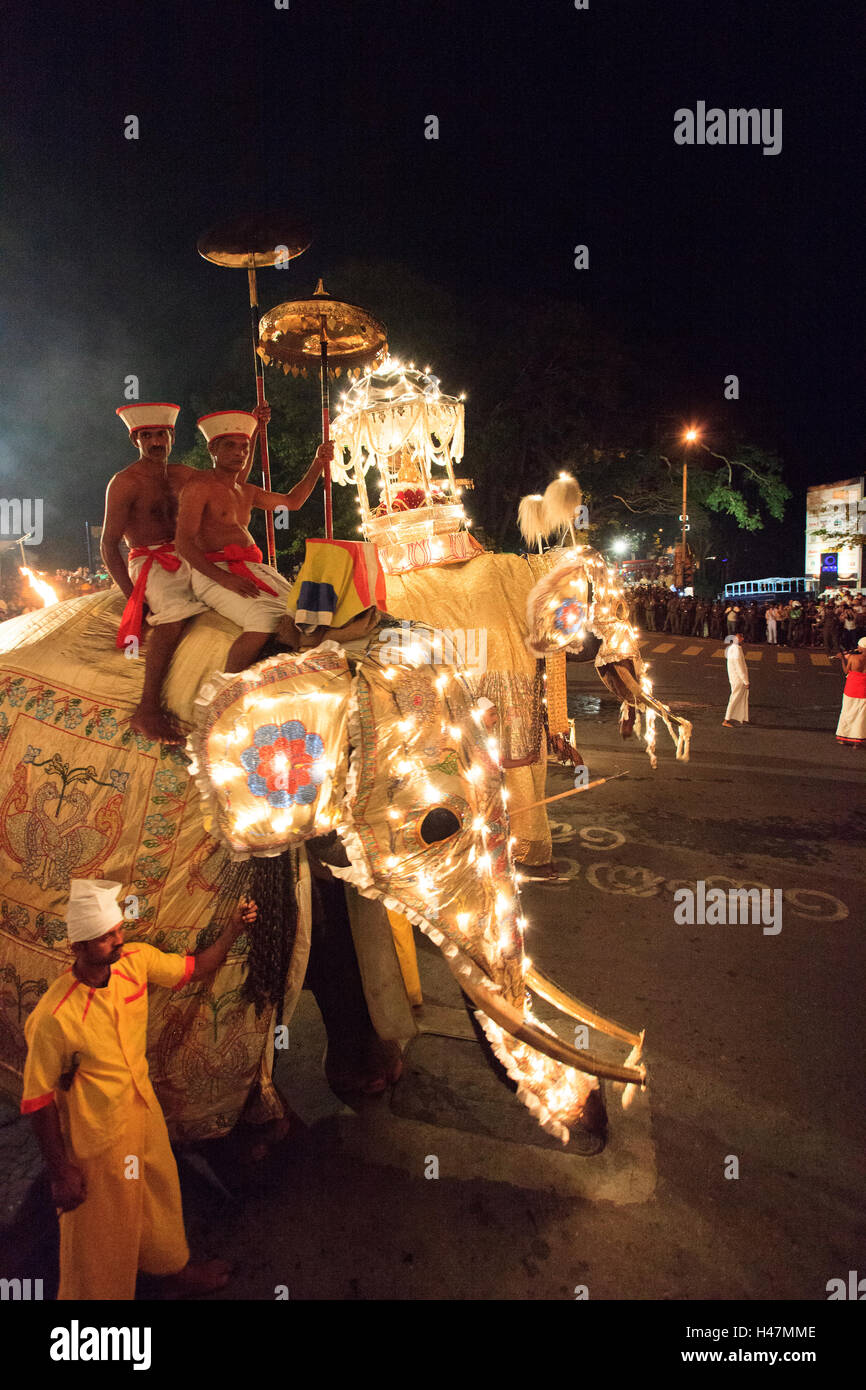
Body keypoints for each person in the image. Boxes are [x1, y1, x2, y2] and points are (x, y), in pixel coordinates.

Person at [21, 878, 258, 1300]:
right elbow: (38, 1099)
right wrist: (60, 1171)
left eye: (117, 930)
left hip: (142, 1112)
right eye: (105, 937)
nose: (117, 940)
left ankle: (169, 1271)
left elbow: (196, 968)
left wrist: (234, 929)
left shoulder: (134, 962)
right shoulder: (54, 1016)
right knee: (97, 1228)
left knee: (156, 1190)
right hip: (98, 1134)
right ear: (77, 947)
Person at [176, 407, 332, 673]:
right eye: (230, 446)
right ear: (213, 449)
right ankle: (224, 688)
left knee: (305, 608)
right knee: (265, 617)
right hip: (215, 572)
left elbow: (291, 503)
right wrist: (224, 578)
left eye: (244, 447)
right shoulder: (199, 487)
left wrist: (318, 463)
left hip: (254, 569)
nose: (239, 453)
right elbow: (183, 543)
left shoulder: (245, 490)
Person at [102, 404, 207, 743]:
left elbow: (227, 485)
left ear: (171, 437)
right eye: (146, 435)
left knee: (237, 589)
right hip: (149, 560)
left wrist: (254, 435)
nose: (155, 441)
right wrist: (133, 597)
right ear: (136, 440)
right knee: (172, 618)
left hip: (187, 553)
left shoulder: (183, 474)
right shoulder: (124, 482)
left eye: (161, 434)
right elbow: (108, 545)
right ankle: (147, 709)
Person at [834, 636, 866, 747]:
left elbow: (846, 671)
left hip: (851, 688)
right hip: (864, 690)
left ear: (862, 648)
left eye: (859, 646)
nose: (857, 647)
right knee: (861, 716)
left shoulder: (853, 657)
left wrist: (842, 658)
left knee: (847, 712)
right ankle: (857, 741)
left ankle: (843, 737)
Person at [722, 632, 750, 727]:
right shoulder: (737, 650)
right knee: (735, 698)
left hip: (733, 676)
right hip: (738, 678)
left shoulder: (731, 648)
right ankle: (726, 719)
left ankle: (742, 717)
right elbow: (739, 667)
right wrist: (745, 681)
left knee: (742, 697)